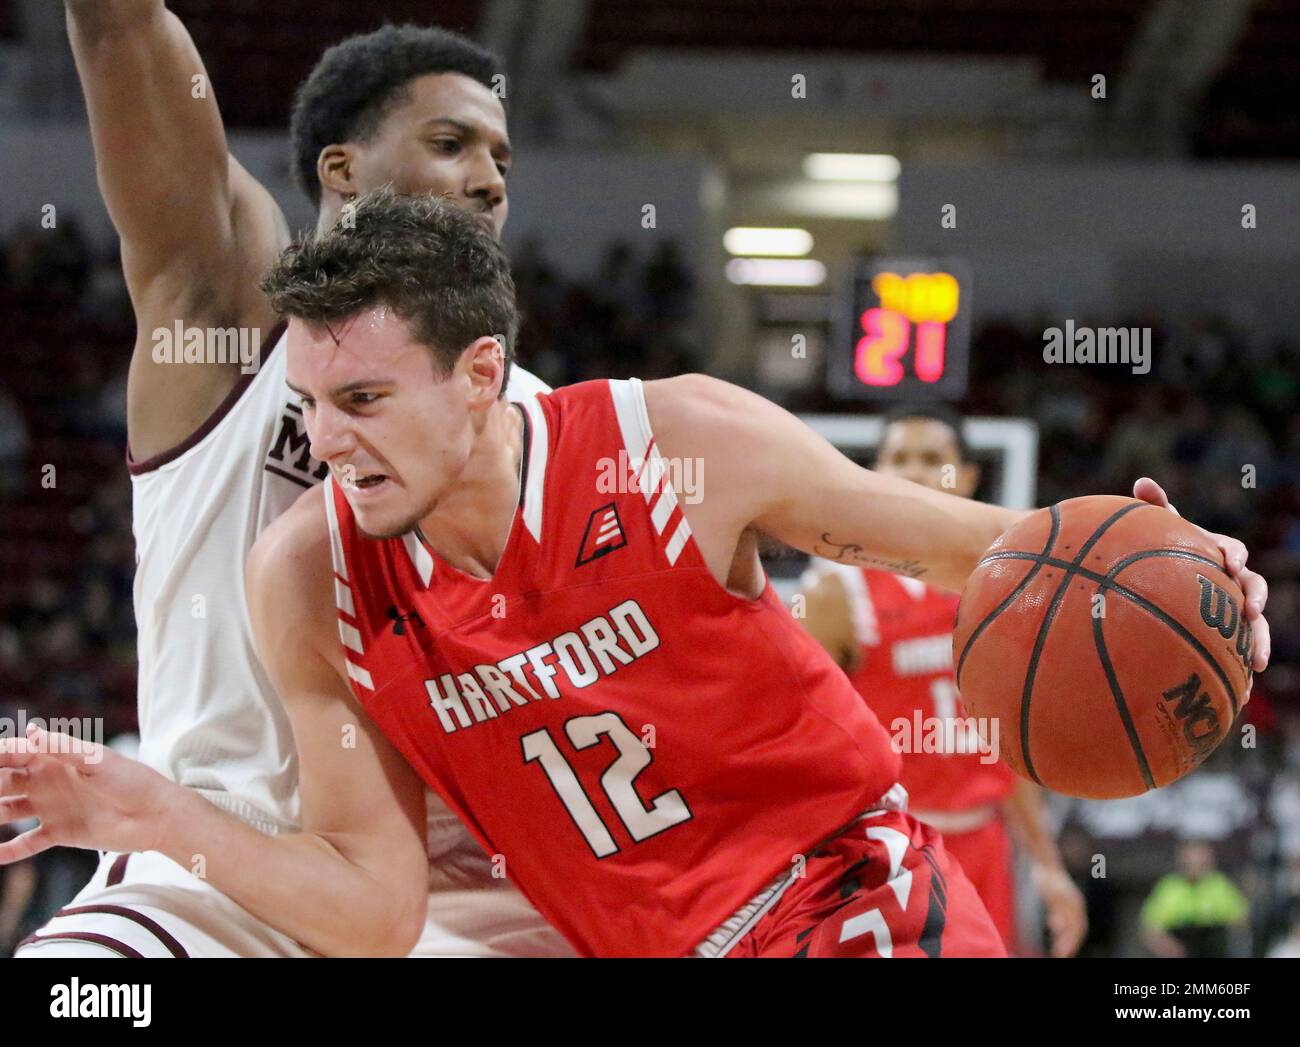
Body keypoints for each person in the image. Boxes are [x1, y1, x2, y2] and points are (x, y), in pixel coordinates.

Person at [2, 192, 1270, 958]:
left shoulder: (676, 446)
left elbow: (987, 549)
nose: (328, 441)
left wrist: (1186, 573)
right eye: (317, 403)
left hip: (851, 909)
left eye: (368, 400)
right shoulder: (310, 574)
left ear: (483, 376)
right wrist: (142, 812)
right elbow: (373, 910)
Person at [17, 6, 568, 957]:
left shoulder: (535, 412)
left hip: (470, 898)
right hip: (217, 873)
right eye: (451, 144)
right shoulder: (232, 310)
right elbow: (119, 31)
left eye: (502, 163)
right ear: (341, 170)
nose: (487, 182)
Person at [797, 404, 1087, 956]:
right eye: (897, 458)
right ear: (874, 473)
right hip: (889, 847)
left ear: (968, 476)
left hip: (983, 841)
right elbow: (802, 748)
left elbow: (1007, 746)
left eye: (932, 459)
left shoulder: (1000, 583)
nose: (913, 471)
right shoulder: (835, 592)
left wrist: (1049, 868)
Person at [1140, 839, 1249, 958]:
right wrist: (1169, 948)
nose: (1195, 864)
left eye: (1200, 859)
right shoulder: (1169, 888)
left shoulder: (1220, 885)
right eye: (1190, 859)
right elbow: (1149, 930)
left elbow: (1240, 922)